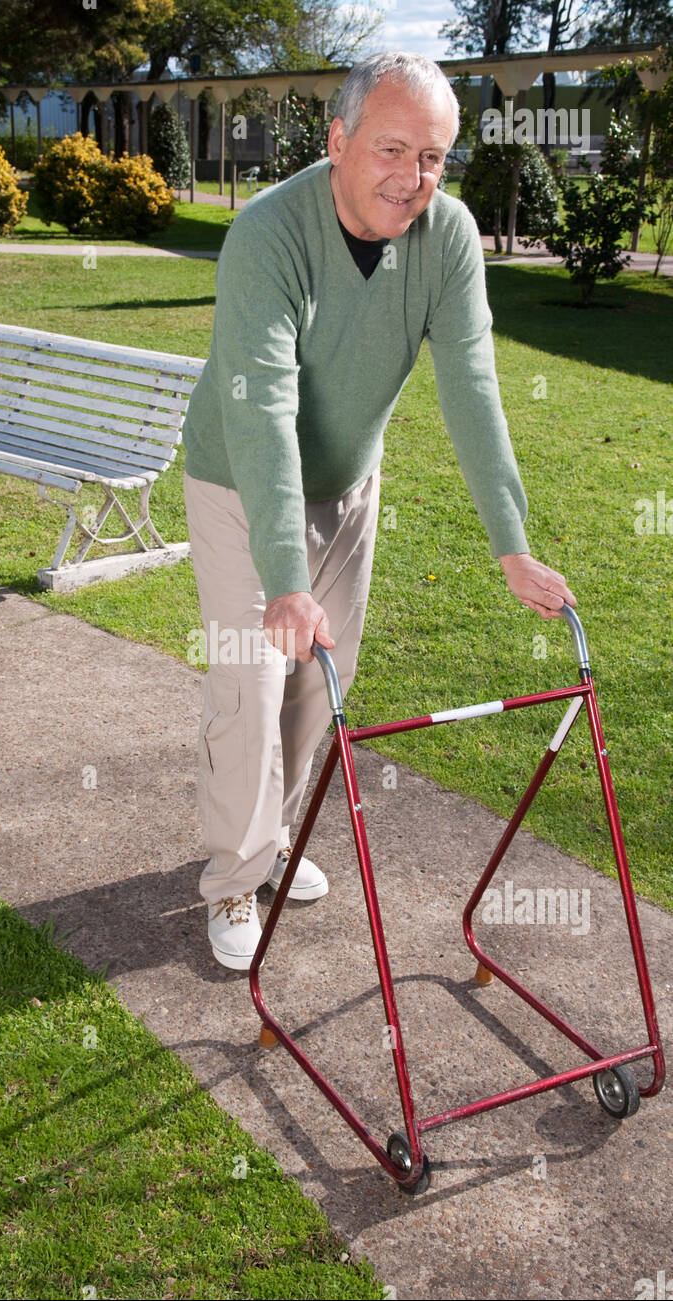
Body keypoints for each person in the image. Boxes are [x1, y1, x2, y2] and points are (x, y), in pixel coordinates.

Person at [181, 51, 576, 971]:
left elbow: (471, 385)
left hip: (350, 480)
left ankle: (273, 842)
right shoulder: (268, 234)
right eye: (393, 149)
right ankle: (232, 880)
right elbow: (261, 413)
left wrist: (510, 545)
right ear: (338, 140)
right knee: (252, 681)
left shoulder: (445, 238)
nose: (414, 177)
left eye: (434, 157)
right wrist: (283, 577)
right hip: (243, 479)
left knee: (323, 678)